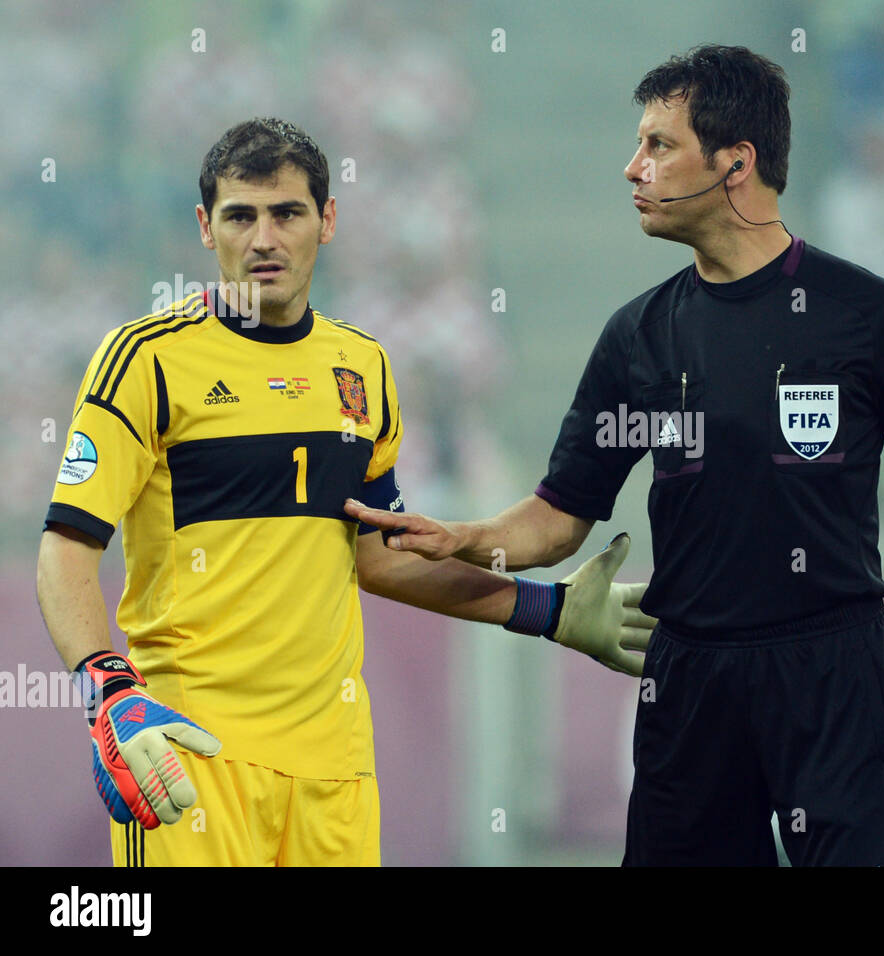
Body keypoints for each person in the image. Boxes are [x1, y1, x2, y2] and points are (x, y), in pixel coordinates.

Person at [346, 45, 884, 866]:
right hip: (690, 677)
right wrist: (466, 537)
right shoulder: (638, 337)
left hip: (833, 671)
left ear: (736, 164)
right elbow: (558, 521)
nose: (631, 168)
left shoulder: (864, 314)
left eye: (658, 145)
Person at [35, 117, 654, 867]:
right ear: (206, 227)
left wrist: (543, 607)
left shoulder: (362, 369)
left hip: (335, 770)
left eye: (287, 213)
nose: (264, 238)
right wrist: (110, 690)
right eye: (240, 216)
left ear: (327, 221)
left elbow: (377, 557)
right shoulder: (145, 360)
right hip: (191, 757)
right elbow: (67, 548)